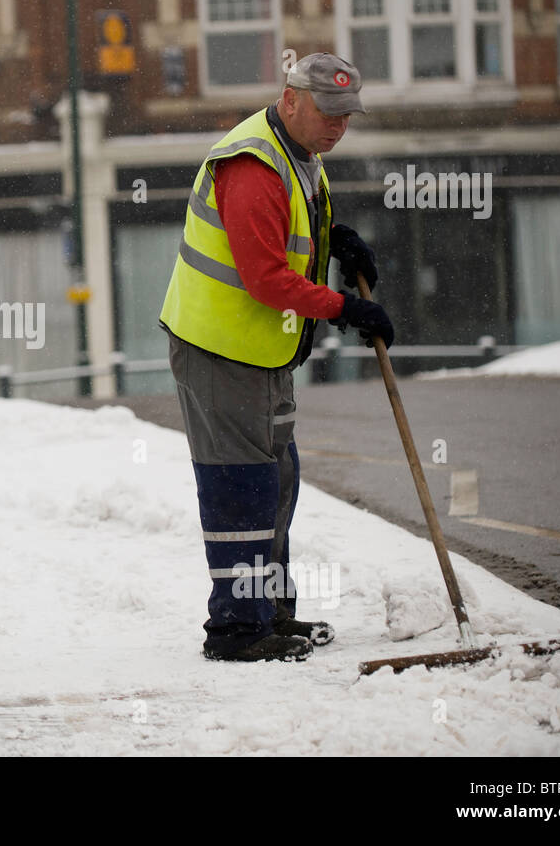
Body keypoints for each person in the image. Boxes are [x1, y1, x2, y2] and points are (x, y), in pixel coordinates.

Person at [159, 52, 394, 662]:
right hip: (220, 350)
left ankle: (269, 611)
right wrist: (345, 309)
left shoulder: (301, 156)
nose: (339, 125)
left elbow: (296, 231)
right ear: (291, 100)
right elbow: (264, 276)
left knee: (277, 480)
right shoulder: (255, 164)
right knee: (242, 486)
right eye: (328, 112)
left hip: (262, 351)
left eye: (347, 115)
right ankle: (236, 629)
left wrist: (336, 238)